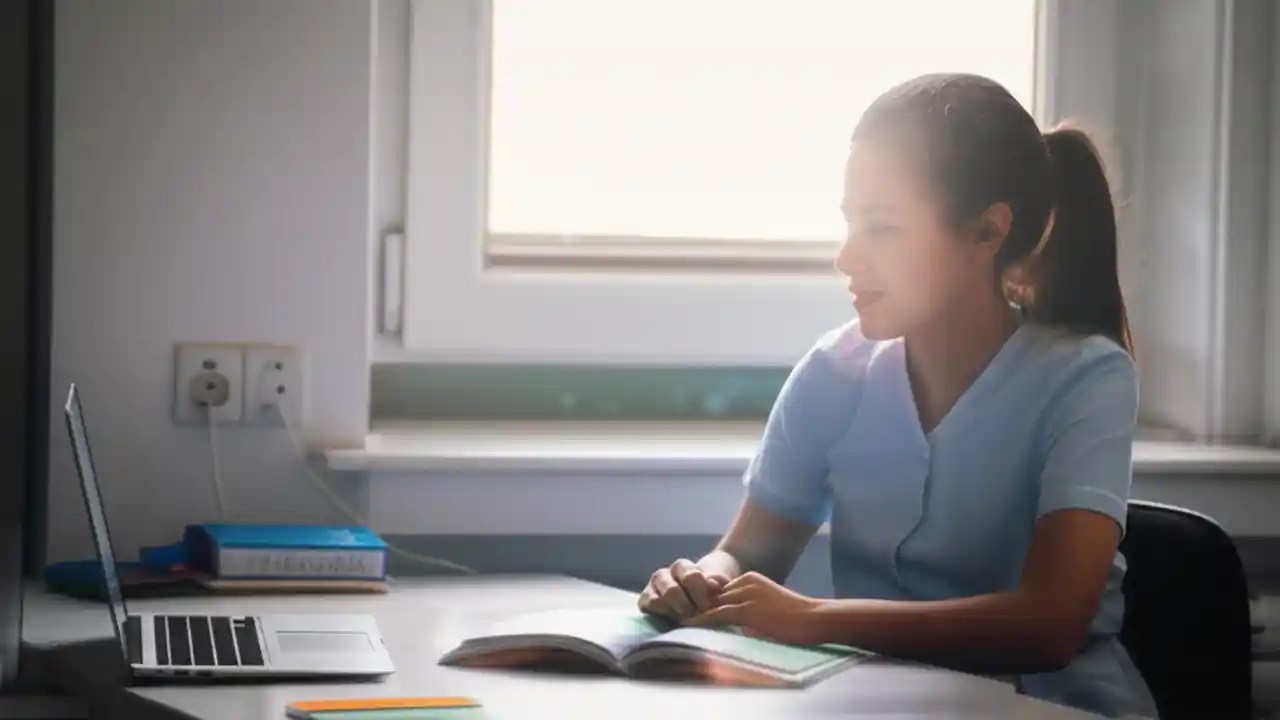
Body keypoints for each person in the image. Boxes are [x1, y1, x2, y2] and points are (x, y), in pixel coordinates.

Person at [637, 74, 1158, 719]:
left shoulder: (1086, 378)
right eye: (850, 224)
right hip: (878, 704)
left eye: (882, 228)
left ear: (988, 234)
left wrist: (812, 618)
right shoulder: (835, 371)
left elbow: (1050, 624)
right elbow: (749, 550)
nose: (847, 258)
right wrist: (701, 579)